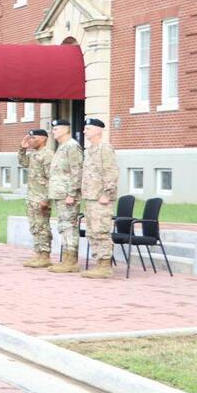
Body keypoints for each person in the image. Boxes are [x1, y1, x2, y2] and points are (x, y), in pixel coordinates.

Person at [80, 118, 121, 280]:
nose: (84, 131)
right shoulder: (90, 150)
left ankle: (105, 266)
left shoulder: (105, 148)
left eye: (88, 128)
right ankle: (98, 263)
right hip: (90, 197)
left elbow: (111, 172)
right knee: (91, 231)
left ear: (98, 130)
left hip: (101, 198)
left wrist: (107, 194)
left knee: (101, 230)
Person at [47, 118, 85, 274]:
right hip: (60, 193)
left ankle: (71, 261)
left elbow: (77, 171)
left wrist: (72, 194)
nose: (53, 132)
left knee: (69, 226)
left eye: (56, 129)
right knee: (64, 226)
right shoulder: (62, 147)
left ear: (64, 130)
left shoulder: (72, 147)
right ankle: (67, 259)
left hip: (67, 195)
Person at [17, 129, 54, 268]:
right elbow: (23, 162)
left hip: (41, 198)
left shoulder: (48, 155)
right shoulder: (34, 154)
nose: (30, 140)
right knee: (35, 227)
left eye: (33, 138)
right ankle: (38, 254)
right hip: (32, 196)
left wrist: (46, 199)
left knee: (42, 226)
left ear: (43, 139)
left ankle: (45, 255)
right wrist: (22, 148)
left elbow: (52, 178)